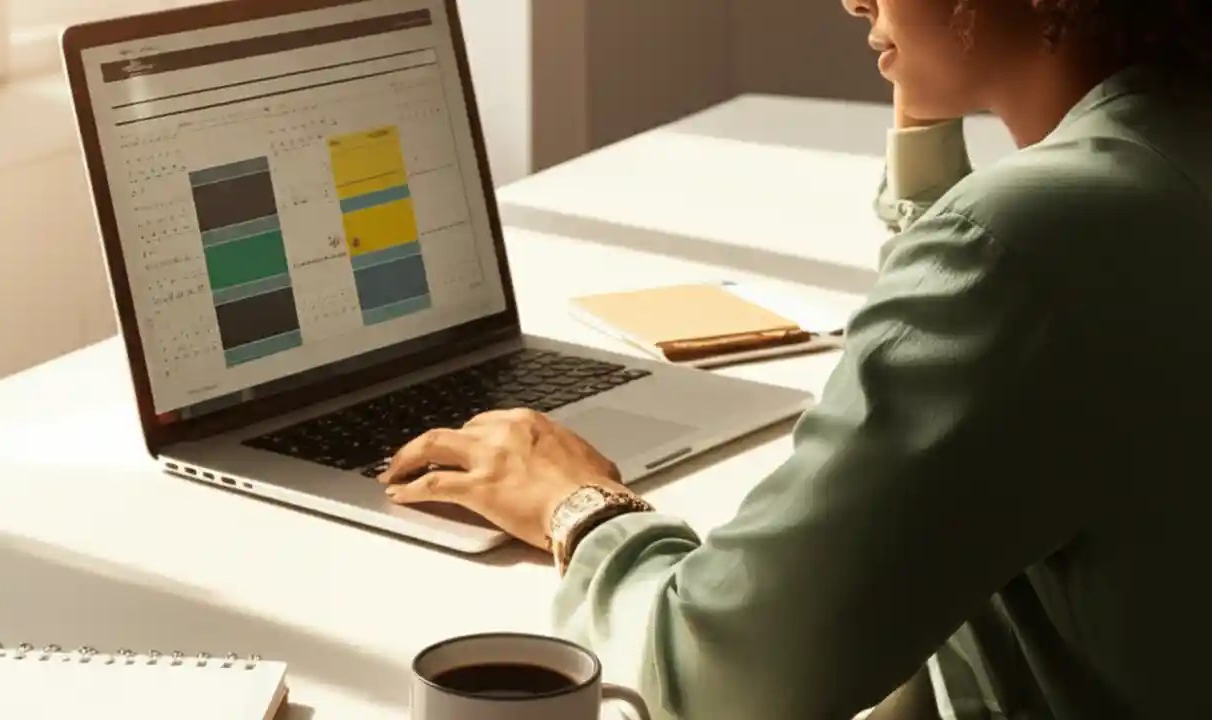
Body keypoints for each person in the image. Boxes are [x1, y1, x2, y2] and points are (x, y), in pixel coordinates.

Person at [380, 1, 1212, 717]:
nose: (853, 0)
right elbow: (998, 337)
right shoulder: (1154, 165)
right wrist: (929, 90)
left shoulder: (1032, 244)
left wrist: (581, 510)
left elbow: (723, 685)